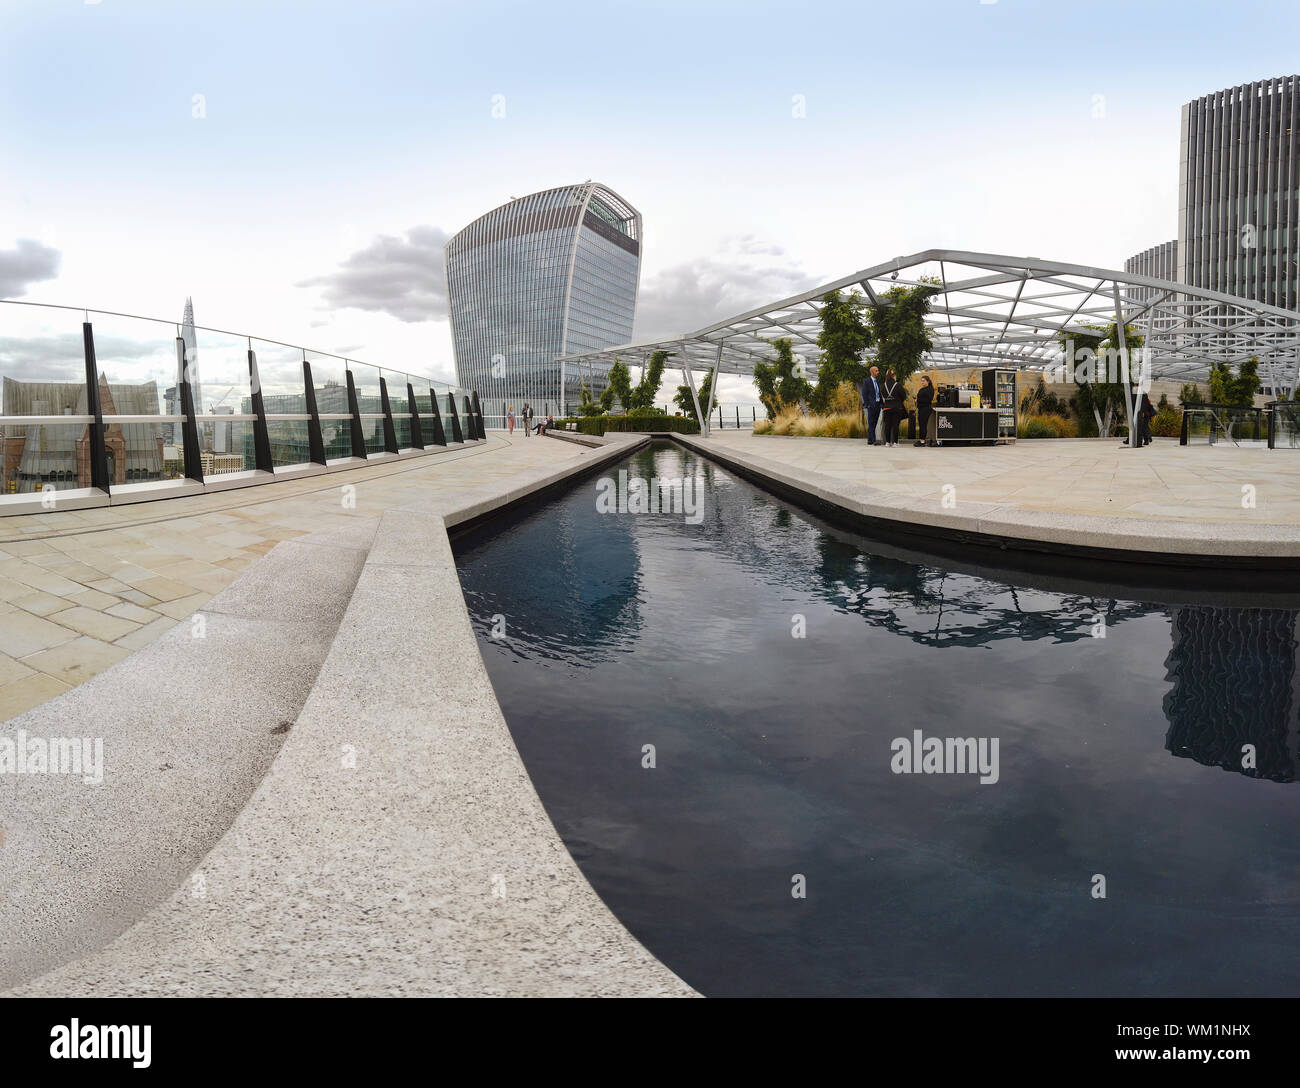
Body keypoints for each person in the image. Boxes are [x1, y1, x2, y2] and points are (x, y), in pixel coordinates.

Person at [881, 368, 906, 447]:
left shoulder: (883, 386)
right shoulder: (897, 385)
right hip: (897, 408)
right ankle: (895, 442)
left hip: (886, 408)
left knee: (887, 425)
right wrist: (897, 401)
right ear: (894, 375)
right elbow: (903, 396)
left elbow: (882, 395)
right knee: (895, 425)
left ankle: (887, 442)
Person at [860, 365, 884, 445]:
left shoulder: (877, 381)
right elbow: (864, 394)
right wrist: (868, 404)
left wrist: (881, 404)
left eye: (878, 370)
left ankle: (870, 440)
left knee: (874, 423)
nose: (878, 372)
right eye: (876, 371)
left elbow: (879, 393)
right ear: (872, 372)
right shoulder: (867, 381)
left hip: (878, 405)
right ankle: (873, 440)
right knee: (871, 423)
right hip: (871, 406)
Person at [914, 374, 937, 447]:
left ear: (928, 381)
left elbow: (928, 400)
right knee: (921, 425)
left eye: (923, 381)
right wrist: (916, 401)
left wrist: (918, 400)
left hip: (926, 409)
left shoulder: (930, 389)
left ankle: (922, 441)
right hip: (921, 408)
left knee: (923, 425)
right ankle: (921, 439)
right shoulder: (921, 389)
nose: (922, 382)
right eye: (921, 381)